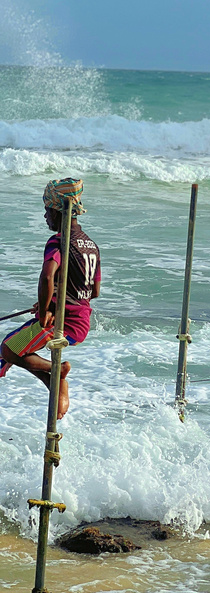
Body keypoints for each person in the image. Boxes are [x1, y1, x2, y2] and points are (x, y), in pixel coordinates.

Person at [0, 178, 101, 419]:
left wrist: (46, 308)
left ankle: (58, 372)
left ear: (57, 211)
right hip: (81, 323)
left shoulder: (59, 241)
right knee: (14, 350)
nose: (45, 216)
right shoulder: (90, 245)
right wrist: (55, 298)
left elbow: (47, 276)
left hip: (62, 322)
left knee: (7, 350)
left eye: (47, 210)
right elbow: (94, 291)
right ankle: (53, 380)